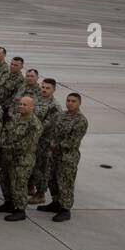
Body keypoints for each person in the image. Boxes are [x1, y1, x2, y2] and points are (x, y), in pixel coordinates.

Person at [42, 93, 88, 223]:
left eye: (73, 101)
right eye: (68, 100)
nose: (70, 103)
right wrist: (51, 144)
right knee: (53, 179)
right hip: (54, 155)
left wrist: (54, 145)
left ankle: (65, 209)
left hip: (67, 157)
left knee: (65, 182)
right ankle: (56, 202)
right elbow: (52, 131)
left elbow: (72, 141)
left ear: (79, 103)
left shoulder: (81, 121)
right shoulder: (61, 115)